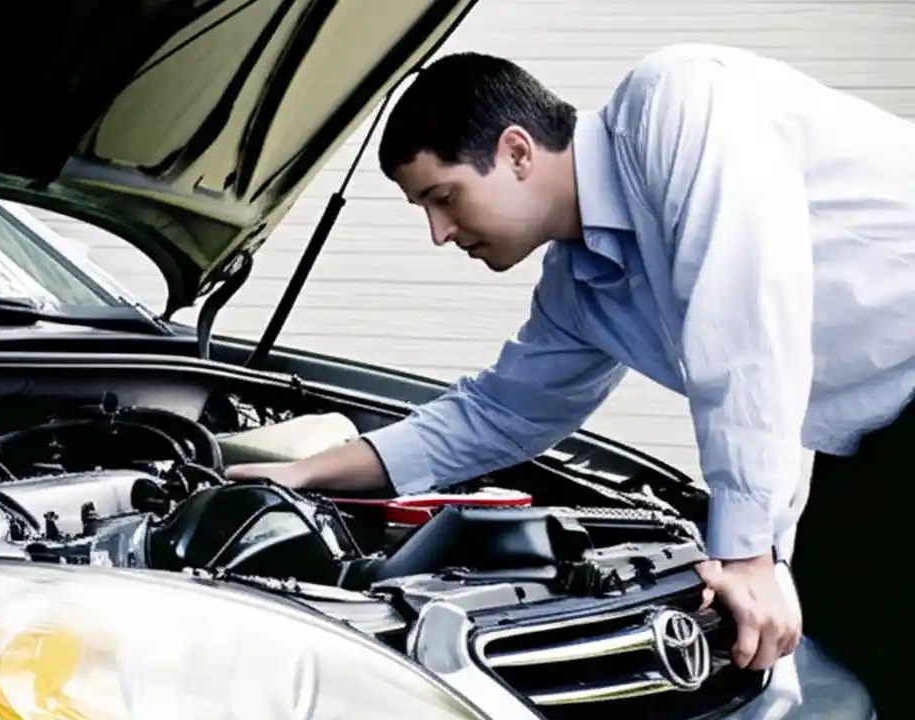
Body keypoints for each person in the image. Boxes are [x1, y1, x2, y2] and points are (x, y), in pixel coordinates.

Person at [227, 43, 914, 714]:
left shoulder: (681, 106)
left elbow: (745, 325)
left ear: (518, 151)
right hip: (875, 440)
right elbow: (494, 414)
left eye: (443, 197)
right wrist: (305, 476)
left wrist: (746, 558)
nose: (438, 232)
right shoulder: (580, 290)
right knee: (857, 653)